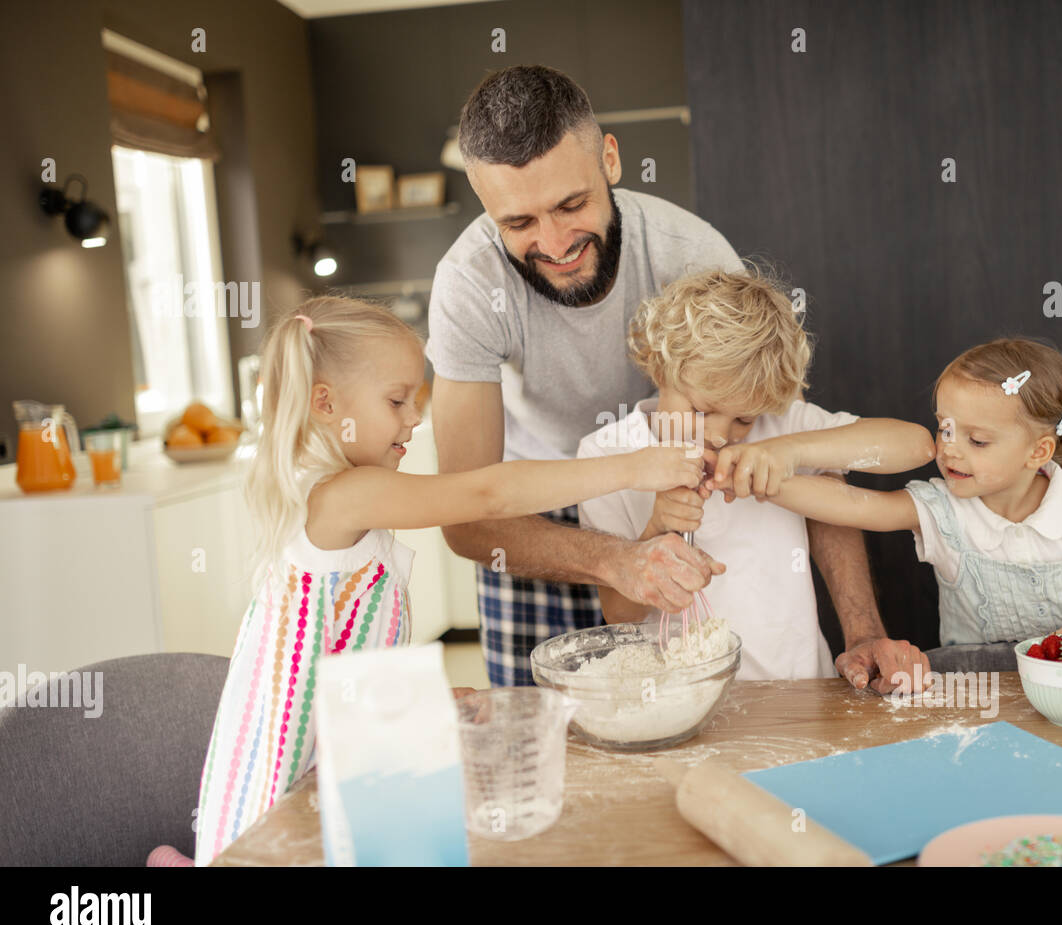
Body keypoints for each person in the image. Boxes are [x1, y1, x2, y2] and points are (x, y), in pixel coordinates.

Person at [428, 65, 899, 687]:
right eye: (518, 223)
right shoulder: (467, 286)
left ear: (612, 161)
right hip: (525, 511)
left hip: (671, 499)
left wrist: (864, 632)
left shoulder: (694, 256)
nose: (555, 242)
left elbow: (808, 457)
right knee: (550, 744)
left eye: (572, 204)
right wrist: (618, 559)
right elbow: (467, 515)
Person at [194, 296, 705, 865]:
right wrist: (636, 467)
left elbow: (334, 660)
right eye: (396, 401)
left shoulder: (343, 498)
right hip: (274, 800)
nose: (414, 419)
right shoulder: (342, 496)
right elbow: (490, 493)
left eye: (416, 400)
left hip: (331, 770)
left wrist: (418, 701)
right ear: (324, 403)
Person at [577, 267, 936, 682]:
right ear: (661, 369)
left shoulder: (782, 426)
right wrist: (657, 527)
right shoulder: (605, 455)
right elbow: (618, 613)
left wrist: (788, 450)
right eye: (700, 410)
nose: (717, 435)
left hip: (798, 690)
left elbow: (915, 446)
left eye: (743, 419)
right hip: (676, 700)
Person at [714, 337, 1062, 648]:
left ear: (1038, 451)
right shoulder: (944, 507)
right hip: (980, 688)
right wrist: (765, 481)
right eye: (945, 428)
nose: (949, 449)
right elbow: (854, 506)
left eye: (977, 441)